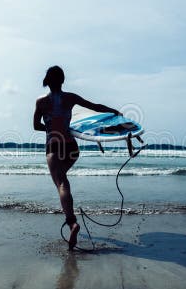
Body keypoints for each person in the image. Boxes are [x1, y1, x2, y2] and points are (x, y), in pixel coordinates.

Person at [33, 66, 121, 250]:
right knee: (62, 179)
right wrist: (115, 112)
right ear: (63, 80)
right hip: (72, 147)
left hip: (54, 145)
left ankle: (72, 223)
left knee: (61, 183)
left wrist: (50, 128)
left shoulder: (41, 102)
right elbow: (95, 107)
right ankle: (71, 220)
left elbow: (36, 126)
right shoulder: (71, 98)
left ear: (47, 81)